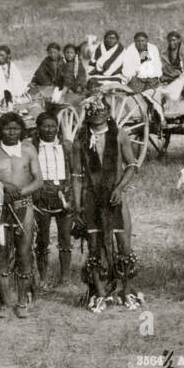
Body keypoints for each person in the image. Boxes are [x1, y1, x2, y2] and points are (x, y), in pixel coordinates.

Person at [70, 94, 142, 312]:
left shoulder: (119, 135)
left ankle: (126, 290)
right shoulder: (80, 139)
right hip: (91, 197)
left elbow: (132, 165)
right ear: (87, 115)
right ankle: (100, 294)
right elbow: (76, 176)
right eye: (92, 110)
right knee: (94, 246)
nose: (97, 113)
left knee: (124, 244)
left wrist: (119, 188)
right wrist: (77, 206)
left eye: (102, 110)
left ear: (109, 113)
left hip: (115, 197)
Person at [0, 111, 42, 319]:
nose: (11, 133)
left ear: (22, 130)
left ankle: (22, 302)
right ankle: (5, 303)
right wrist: (2, 186)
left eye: (15, 128)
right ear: (0, 130)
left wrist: (20, 191)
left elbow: (38, 180)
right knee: (1, 254)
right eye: (7, 128)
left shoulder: (29, 150)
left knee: (24, 254)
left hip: (23, 204)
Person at [31, 111, 75, 290]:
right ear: (38, 128)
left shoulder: (66, 146)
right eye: (45, 126)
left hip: (64, 194)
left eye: (53, 126)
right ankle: (43, 277)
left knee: (65, 237)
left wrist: (70, 192)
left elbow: (74, 170)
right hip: (41, 195)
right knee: (42, 238)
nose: (50, 130)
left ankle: (65, 277)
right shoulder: (32, 148)